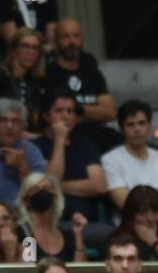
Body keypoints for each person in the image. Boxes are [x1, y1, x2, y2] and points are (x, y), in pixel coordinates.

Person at [101, 100, 158, 225]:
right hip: (127, 229)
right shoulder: (110, 160)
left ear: (149, 125)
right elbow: (127, 205)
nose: (137, 129)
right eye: (130, 125)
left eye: (142, 123)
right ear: (122, 129)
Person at [31, 89, 106, 224]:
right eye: (59, 111)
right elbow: (50, 183)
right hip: (51, 222)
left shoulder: (86, 145)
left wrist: (61, 186)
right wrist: (60, 141)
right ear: (46, 116)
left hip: (87, 222)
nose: (65, 116)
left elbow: (99, 186)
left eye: (70, 111)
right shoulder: (35, 147)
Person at [44, 18, 117, 145]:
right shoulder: (50, 74)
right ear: (56, 41)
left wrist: (79, 110)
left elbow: (110, 112)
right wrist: (93, 113)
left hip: (100, 136)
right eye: (66, 37)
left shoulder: (92, 72)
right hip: (68, 139)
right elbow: (55, 119)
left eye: (76, 36)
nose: (72, 41)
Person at [108, 185, 158, 264]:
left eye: (155, 212)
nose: (150, 218)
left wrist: (154, 241)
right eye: (142, 212)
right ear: (131, 214)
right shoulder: (116, 239)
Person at [16, 172, 86, 263]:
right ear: (26, 200)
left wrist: (78, 236)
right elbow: (28, 272)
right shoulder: (24, 233)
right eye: (35, 190)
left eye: (46, 188)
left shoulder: (68, 234)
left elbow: (80, 272)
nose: (42, 192)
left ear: (55, 197)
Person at [0, 28, 47, 130]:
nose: (30, 52)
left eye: (35, 48)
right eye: (24, 46)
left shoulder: (38, 81)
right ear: (14, 49)